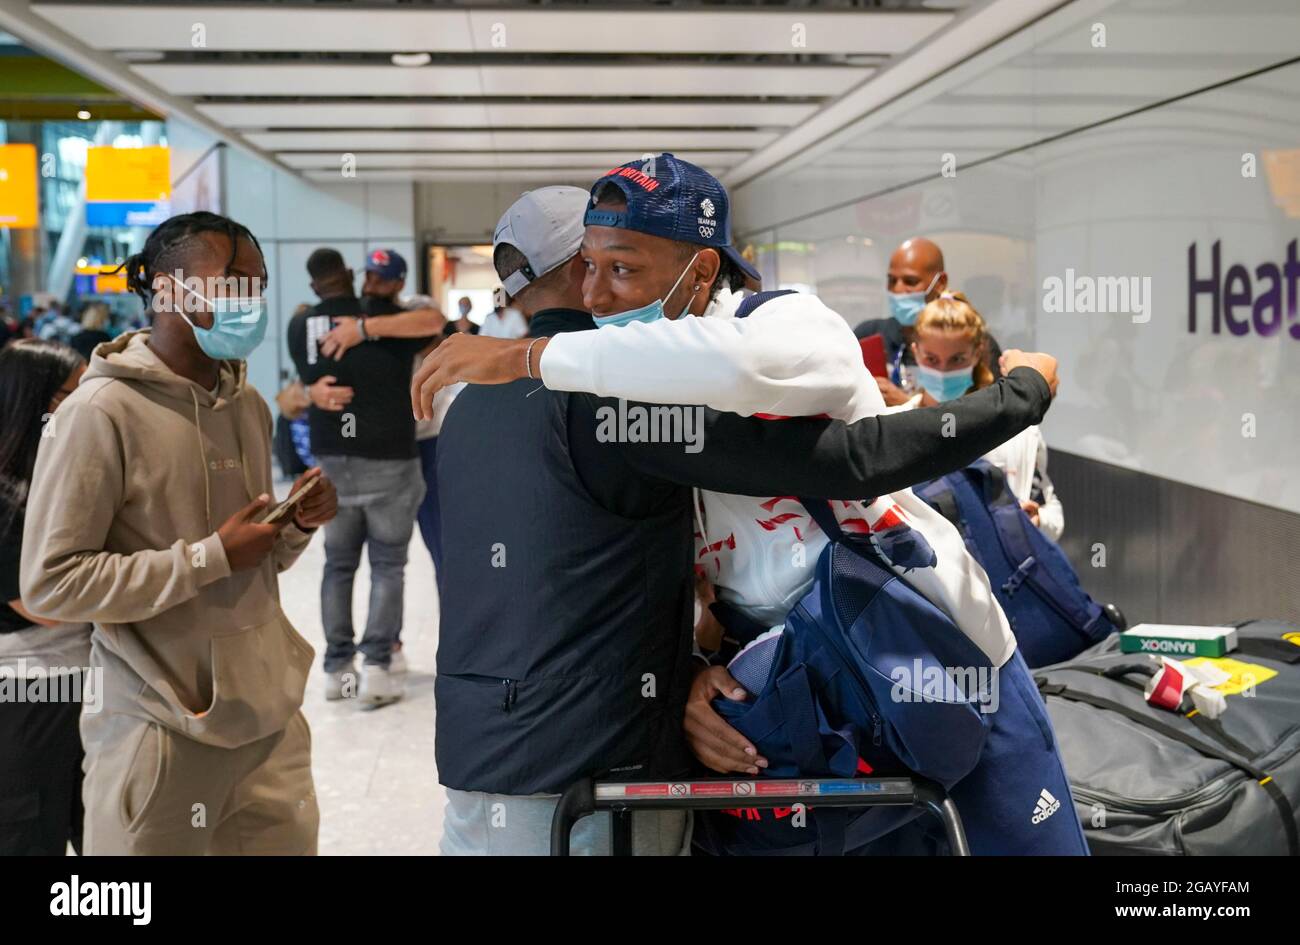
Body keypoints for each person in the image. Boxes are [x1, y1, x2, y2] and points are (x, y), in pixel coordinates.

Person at [416, 172, 1060, 855]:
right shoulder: (610, 394)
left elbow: (838, 444)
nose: (598, 296)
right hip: (775, 698)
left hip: (924, 653)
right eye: (592, 269)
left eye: (620, 269)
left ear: (699, 271)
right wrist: (694, 674)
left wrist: (533, 355)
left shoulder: (780, 322)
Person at [21, 211, 337, 855]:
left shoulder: (247, 403)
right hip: (157, 727)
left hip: (268, 722)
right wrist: (209, 556)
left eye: (257, 284)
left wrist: (292, 527)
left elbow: (251, 559)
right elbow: (52, 584)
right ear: (168, 289)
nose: (251, 300)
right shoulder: (98, 413)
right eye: (233, 281)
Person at [287, 248, 435, 704]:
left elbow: (302, 384)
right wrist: (368, 329)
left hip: (332, 464)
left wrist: (309, 390)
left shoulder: (301, 324)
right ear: (352, 274)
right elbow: (433, 325)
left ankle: (337, 670)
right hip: (391, 459)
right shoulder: (386, 321)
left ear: (313, 285)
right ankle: (376, 667)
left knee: (338, 564)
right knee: (387, 565)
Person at [0, 340, 90, 855]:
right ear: (35, 402)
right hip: (29, 691)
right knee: (32, 834)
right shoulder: (5, 498)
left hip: (88, 677)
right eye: (71, 394)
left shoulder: (58, 476)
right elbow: (43, 607)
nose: (86, 405)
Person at [911, 291, 1063, 540]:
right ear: (915, 352)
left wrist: (1037, 520)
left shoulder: (1018, 434)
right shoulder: (892, 427)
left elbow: (1051, 512)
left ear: (977, 353)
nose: (943, 371)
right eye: (931, 359)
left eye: (957, 359)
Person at [853, 237, 1003, 406]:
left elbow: (993, 408)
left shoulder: (970, 338)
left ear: (940, 283)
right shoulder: (869, 333)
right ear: (915, 350)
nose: (897, 289)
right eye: (892, 280)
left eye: (910, 281)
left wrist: (910, 405)